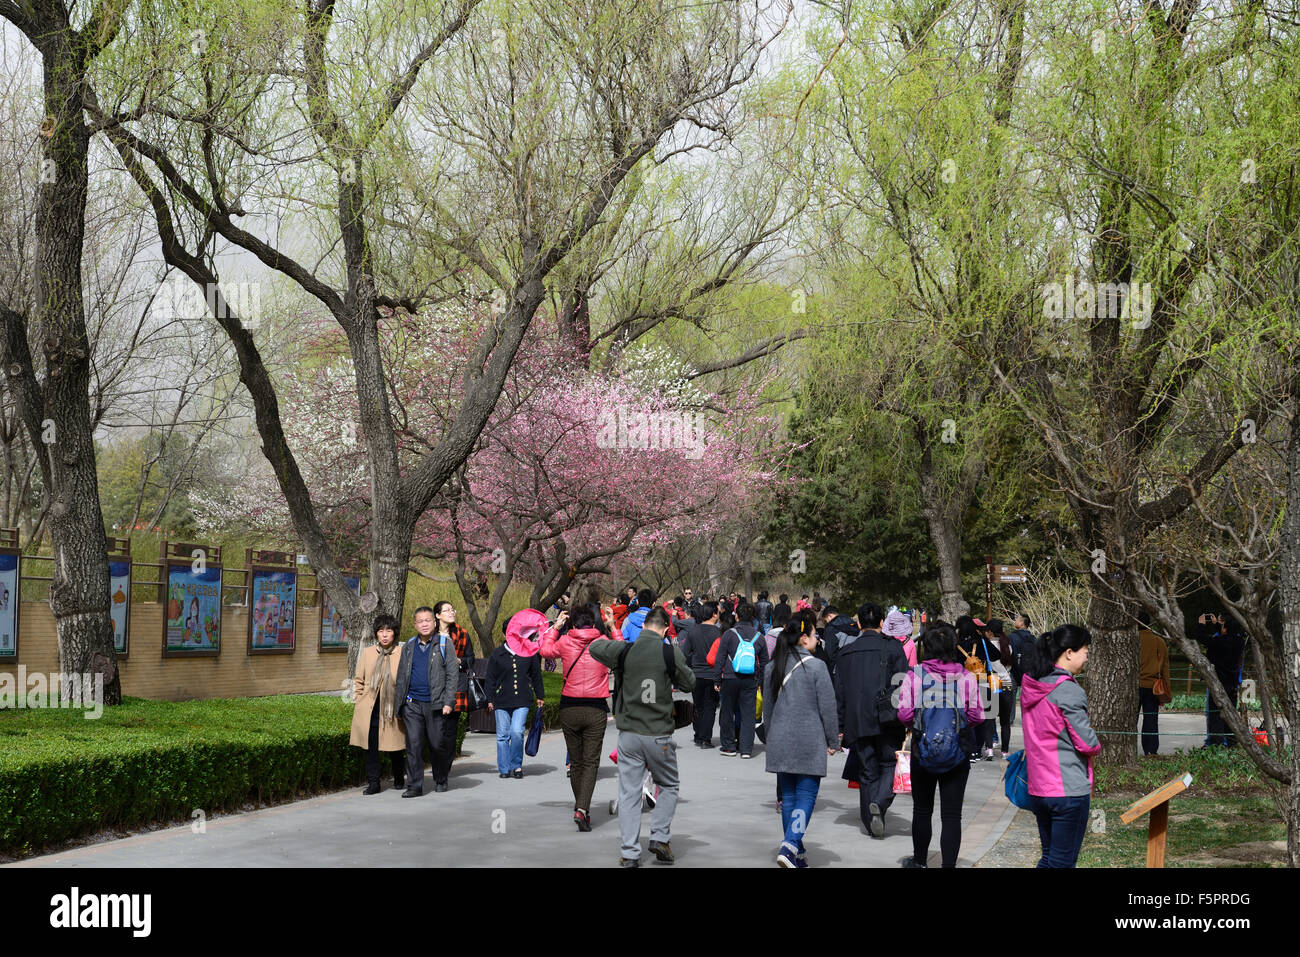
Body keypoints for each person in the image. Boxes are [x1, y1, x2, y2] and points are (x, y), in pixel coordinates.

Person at [589, 605, 695, 867]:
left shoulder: (625, 650)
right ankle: (659, 837)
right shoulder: (670, 652)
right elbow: (689, 683)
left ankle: (630, 853)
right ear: (665, 628)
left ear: (645, 624)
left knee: (629, 793)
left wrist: (612, 631)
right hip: (658, 735)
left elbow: (594, 649)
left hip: (629, 735)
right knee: (669, 785)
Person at [897, 622, 984, 868]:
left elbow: (904, 715)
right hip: (957, 753)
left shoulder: (915, 675)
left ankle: (920, 861)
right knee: (952, 815)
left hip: (922, 751)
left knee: (922, 811)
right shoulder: (966, 677)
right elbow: (977, 716)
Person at [762, 611, 840, 867]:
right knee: (806, 796)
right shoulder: (817, 666)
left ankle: (796, 849)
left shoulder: (773, 667)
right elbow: (827, 707)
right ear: (804, 638)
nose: (817, 639)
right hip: (809, 740)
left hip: (780, 740)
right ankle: (791, 844)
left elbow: (769, 710)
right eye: (815, 635)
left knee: (790, 797)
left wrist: (772, 738)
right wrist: (833, 740)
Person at [1021, 624, 1101, 868]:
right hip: (1067, 789)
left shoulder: (1033, 685)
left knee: (1049, 858)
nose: (1087, 656)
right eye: (1085, 650)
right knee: (1062, 862)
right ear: (1069, 652)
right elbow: (1087, 744)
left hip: (1039, 787)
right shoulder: (1067, 690)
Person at [541, 604, 622, 831]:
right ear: (594, 623)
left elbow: (545, 651)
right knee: (591, 761)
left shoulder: (565, 641)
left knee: (576, 762)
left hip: (569, 707)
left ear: (573, 623)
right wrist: (612, 626)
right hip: (595, 708)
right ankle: (582, 808)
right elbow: (622, 649)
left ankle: (581, 806)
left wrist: (555, 628)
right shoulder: (603, 644)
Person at [834, 602, 909, 839]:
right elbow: (903, 686)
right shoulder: (894, 649)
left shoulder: (845, 653)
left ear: (858, 624)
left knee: (867, 771)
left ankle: (871, 822)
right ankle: (880, 802)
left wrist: (839, 725)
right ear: (881, 623)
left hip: (857, 719)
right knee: (889, 764)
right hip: (889, 718)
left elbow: (840, 692)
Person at [395, 605, 460, 796]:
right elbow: (401, 676)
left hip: (436, 704)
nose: (424, 624)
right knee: (413, 746)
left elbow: (452, 674)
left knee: (437, 744)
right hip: (412, 704)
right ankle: (414, 786)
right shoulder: (408, 646)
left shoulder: (443, 644)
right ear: (415, 624)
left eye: (427, 620)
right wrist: (400, 705)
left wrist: (449, 702)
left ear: (434, 622)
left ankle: (441, 779)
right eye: (420, 621)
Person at [350, 613, 406, 794]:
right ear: (376, 633)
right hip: (370, 708)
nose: (384, 635)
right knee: (371, 748)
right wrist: (359, 699)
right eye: (381, 631)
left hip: (391, 708)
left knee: (395, 747)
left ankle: (399, 777)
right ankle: (374, 783)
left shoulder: (402, 653)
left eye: (388, 631)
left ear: (394, 633)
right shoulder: (368, 653)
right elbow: (358, 679)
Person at [485, 623, 546, 779]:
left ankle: (516, 766)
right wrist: (490, 698)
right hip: (501, 699)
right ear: (506, 633)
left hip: (522, 699)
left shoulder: (528, 651)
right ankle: (504, 769)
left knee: (517, 732)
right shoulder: (497, 654)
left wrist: (540, 695)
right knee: (502, 736)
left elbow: (536, 675)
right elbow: (490, 678)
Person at [712, 602, 769, 757]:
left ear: (736, 616)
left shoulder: (729, 634)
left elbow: (720, 658)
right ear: (752, 617)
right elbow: (765, 663)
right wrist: (762, 684)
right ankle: (746, 749)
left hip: (730, 678)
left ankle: (729, 746)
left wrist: (717, 679)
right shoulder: (759, 637)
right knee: (748, 714)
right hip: (750, 679)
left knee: (727, 712)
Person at [430, 601, 475, 786]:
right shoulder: (428, 634)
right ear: (437, 615)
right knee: (434, 734)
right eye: (447, 610)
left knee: (449, 734)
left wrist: (459, 661)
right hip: (432, 690)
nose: (451, 612)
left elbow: (471, 659)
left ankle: (443, 775)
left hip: (455, 688)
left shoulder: (462, 634)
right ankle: (437, 769)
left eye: (452, 609)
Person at [1193, 613, 1246, 747]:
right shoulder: (1240, 642)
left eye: (1222, 624)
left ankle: (1216, 744)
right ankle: (1231, 742)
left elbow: (1202, 638)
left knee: (1215, 715)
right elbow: (1226, 637)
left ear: (1226, 627)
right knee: (1231, 714)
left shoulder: (1220, 642)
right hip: (1232, 683)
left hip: (1218, 683)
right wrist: (1218, 624)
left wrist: (1201, 624)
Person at [955, 615, 997, 760]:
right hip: (983, 681)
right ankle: (978, 750)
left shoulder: (957, 644)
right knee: (982, 717)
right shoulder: (981, 641)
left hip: (964, 684)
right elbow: (996, 655)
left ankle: (971, 750)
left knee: (968, 716)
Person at [684, 601, 722, 748]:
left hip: (696, 674)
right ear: (713, 614)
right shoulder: (719, 633)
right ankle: (705, 738)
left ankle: (698, 735)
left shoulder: (693, 631)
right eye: (718, 612)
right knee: (710, 707)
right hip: (713, 674)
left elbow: (685, 653)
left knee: (698, 706)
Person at [1138, 626, 1172, 755]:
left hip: (1134, 686)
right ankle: (1151, 751)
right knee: (1151, 721)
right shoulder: (1159, 641)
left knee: (1130, 721)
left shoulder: (1132, 640)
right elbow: (1165, 667)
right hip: (1153, 686)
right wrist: (1167, 689)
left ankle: (1127, 750)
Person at [984, 619, 1015, 757]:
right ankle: (1005, 751)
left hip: (992, 682)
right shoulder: (1008, 646)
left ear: (990, 632)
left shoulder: (986, 646)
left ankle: (989, 749)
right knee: (1005, 721)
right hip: (1007, 682)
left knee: (990, 718)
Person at [821, 604, 859, 670]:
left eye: (825, 620)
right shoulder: (853, 624)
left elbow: (830, 653)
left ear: (830, 616)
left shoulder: (831, 629)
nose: (826, 623)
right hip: (857, 665)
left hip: (840, 669)